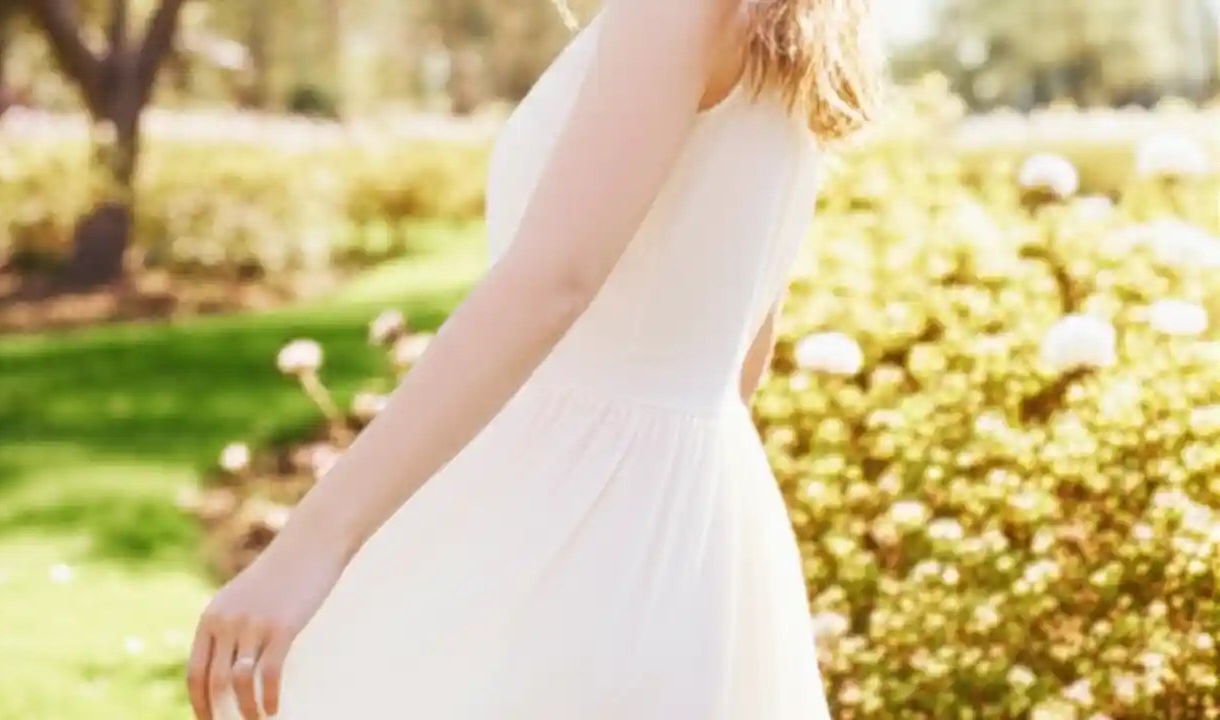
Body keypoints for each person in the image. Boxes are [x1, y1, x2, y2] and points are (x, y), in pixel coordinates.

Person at [188, 0, 879, 717]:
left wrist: (311, 545)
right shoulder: (791, 20)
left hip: (582, 506)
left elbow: (552, 283)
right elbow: (742, 348)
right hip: (696, 511)